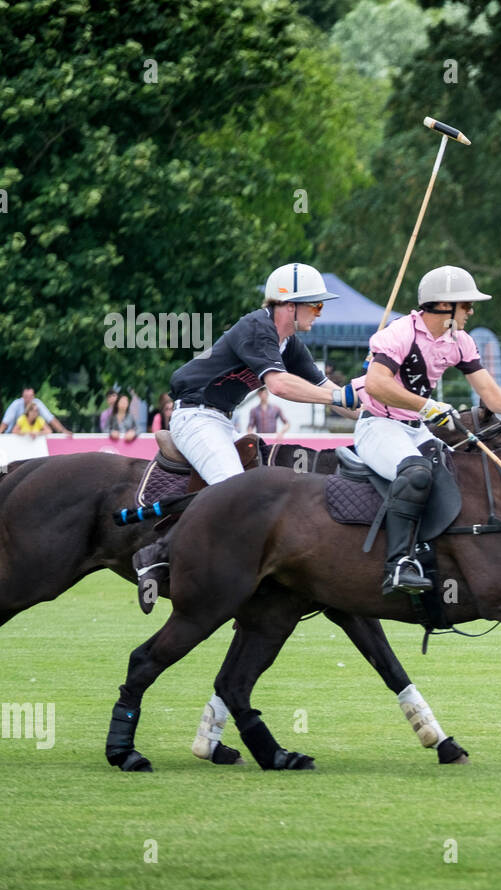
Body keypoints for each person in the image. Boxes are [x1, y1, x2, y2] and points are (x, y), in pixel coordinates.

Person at [129, 262, 360, 766]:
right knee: (236, 497)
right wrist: (335, 394)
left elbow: (332, 393)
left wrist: (368, 393)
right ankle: (157, 553)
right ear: (287, 304)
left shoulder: (290, 343)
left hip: (221, 419)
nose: (318, 313)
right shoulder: (259, 328)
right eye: (314, 305)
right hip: (195, 415)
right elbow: (279, 387)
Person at [357, 265, 501, 595]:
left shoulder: (459, 341)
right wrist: (428, 407)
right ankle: (398, 565)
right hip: (378, 426)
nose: (471, 312)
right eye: (467, 305)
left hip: (415, 428)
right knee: (417, 474)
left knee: (461, 475)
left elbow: (488, 391)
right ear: (444, 306)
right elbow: (376, 384)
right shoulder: (400, 333)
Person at [0, 387, 73, 437]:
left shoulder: (37, 405)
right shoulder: (17, 406)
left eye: (31, 396)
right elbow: (7, 419)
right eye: (26, 396)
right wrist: (0, 431)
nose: (29, 399)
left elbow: (50, 418)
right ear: (22, 397)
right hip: (12, 436)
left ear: (33, 396)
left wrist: (63, 431)